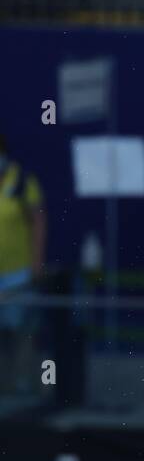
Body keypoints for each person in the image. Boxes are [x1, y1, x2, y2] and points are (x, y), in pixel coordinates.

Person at [0, 132, 47, 393]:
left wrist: (36, 263)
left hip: (18, 274)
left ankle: (24, 389)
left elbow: (39, 222)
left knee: (20, 333)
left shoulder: (21, 182)